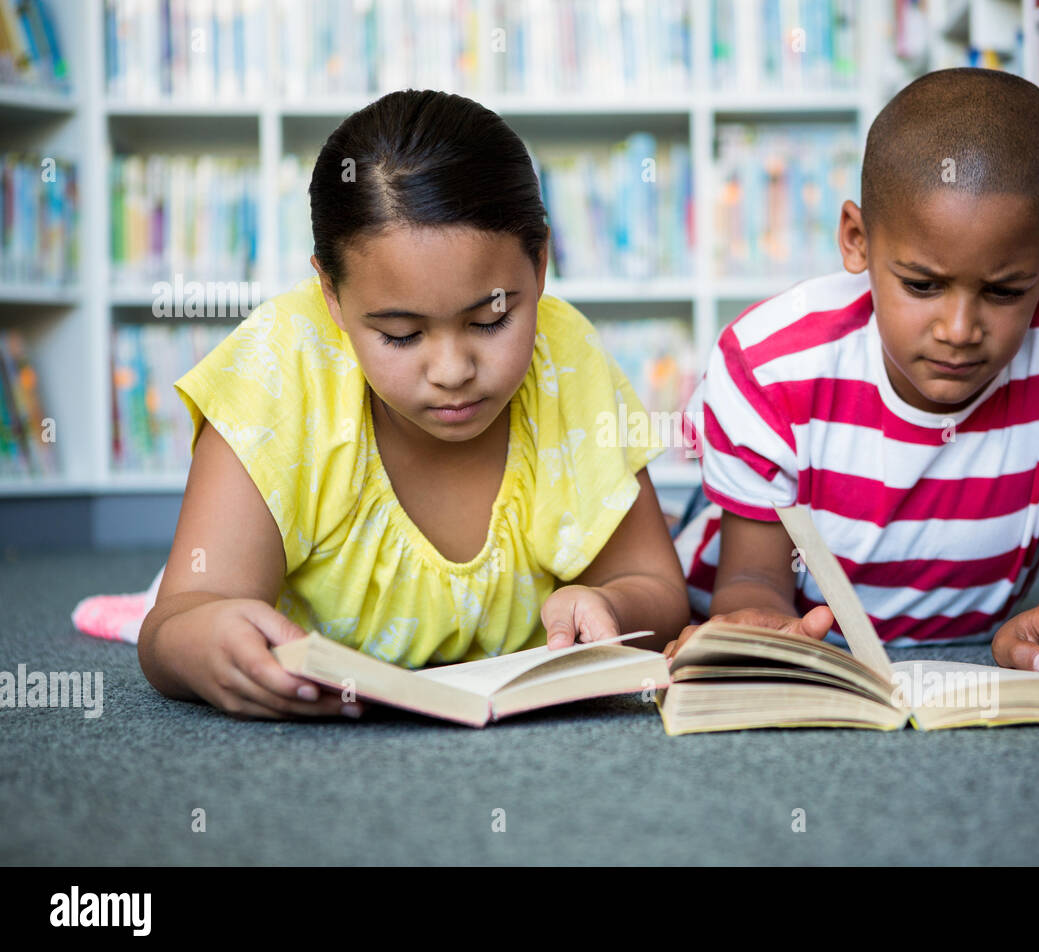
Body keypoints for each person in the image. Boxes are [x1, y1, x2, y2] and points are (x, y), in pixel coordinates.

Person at [123, 90, 688, 719]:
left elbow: (659, 587)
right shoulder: (279, 372)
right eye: (400, 335)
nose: (452, 372)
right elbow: (176, 621)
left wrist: (610, 605)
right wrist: (206, 642)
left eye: (491, 320)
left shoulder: (568, 360)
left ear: (542, 264)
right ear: (330, 295)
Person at [669, 68, 1039, 685]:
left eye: (1003, 291)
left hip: (952, 620)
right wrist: (766, 634)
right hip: (769, 563)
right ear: (856, 240)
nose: (960, 329)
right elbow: (751, 582)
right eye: (922, 285)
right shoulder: (767, 362)